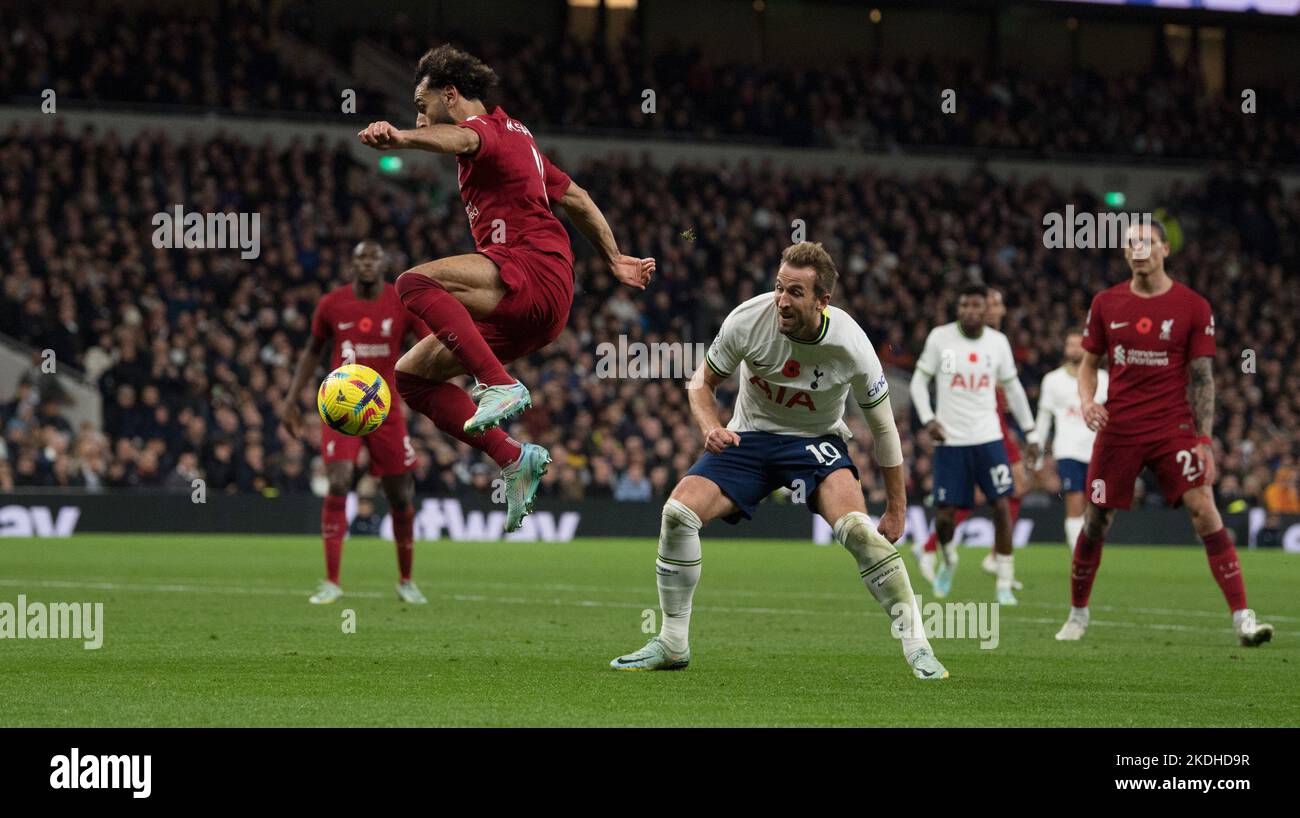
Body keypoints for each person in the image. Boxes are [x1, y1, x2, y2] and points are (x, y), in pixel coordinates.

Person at [609, 242, 947, 681]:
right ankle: (672, 642)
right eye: (778, 288)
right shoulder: (749, 319)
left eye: (795, 293)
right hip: (749, 437)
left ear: (823, 300)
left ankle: (918, 646)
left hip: (814, 443)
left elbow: (884, 431)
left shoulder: (851, 345)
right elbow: (701, 383)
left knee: (859, 532)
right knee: (677, 514)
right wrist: (710, 426)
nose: (782, 301)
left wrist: (898, 508)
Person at [357, 44, 654, 532]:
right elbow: (575, 197)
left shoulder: (486, 131)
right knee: (411, 376)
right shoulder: (525, 140)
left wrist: (401, 138)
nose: (418, 113)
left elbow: (460, 139)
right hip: (538, 308)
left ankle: (496, 383)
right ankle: (514, 458)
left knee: (412, 283)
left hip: (530, 270)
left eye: (422, 103)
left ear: (450, 96)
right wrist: (615, 258)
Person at [1056, 221, 1273, 646]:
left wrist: (1205, 440)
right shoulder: (1106, 302)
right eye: (1131, 243)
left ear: (1165, 249)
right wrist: (1087, 401)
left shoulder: (1192, 306)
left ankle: (1243, 617)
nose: (1139, 249)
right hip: (1118, 430)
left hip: (1171, 428)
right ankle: (1078, 613)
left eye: (1147, 242)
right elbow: (1088, 363)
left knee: (1204, 509)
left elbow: (1203, 379)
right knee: (1097, 519)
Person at [282, 241, 428, 605]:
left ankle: (406, 580)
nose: (366, 264)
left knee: (399, 494)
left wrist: (428, 390)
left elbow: (428, 344)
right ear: (352, 265)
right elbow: (312, 352)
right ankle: (332, 581)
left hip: (385, 408)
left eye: (372, 258)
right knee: (339, 480)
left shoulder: (402, 300)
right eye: (360, 258)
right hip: (340, 405)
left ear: (383, 264)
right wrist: (291, 398)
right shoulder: (332, 304)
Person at [910, 284, 1040, 604]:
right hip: (950, 442)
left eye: (975, 306)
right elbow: (918, 381)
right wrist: (929, 419)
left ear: (985, 310)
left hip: (988, 438)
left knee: (1001, 504)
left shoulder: (998, 343)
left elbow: (1014, 389)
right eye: (964, 305)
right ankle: (948, 558)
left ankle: (1004, 583)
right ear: (958, 309)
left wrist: (1031, 432)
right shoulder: (940, 338)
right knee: (944, 513)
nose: (969, 311)